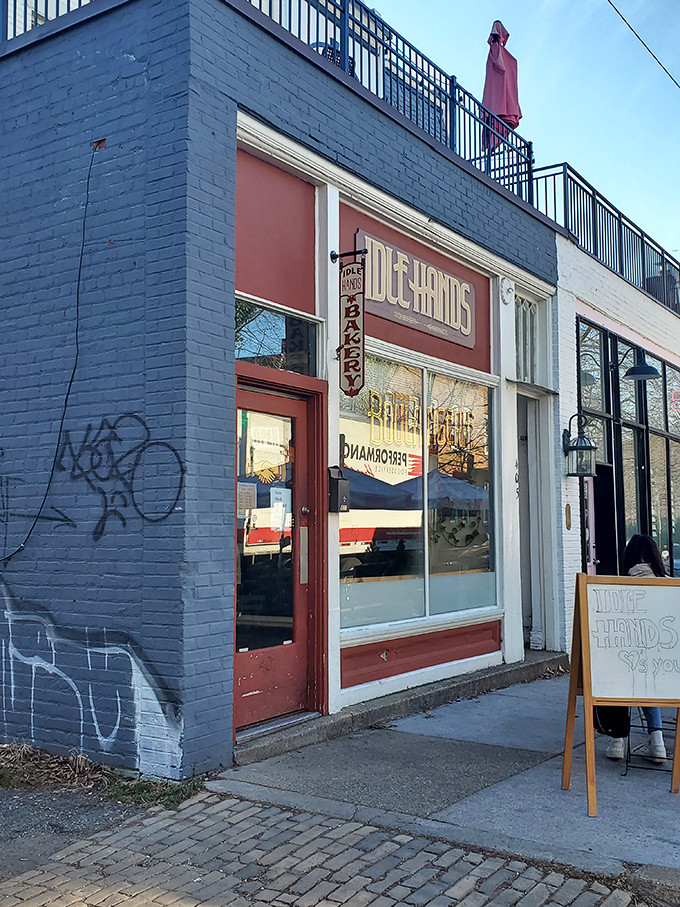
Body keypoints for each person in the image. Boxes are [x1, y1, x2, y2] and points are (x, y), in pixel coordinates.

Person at [605, 534, 667, 764]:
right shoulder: (670, 585)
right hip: (666, 664)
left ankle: (618, 741)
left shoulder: (619, 587)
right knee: (648, 681)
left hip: (628, 659)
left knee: (621, 676)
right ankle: (658, 741)